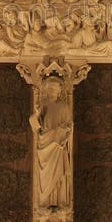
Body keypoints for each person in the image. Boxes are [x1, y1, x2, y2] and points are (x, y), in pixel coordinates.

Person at [30, 76, 72, 208]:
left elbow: (69, 126)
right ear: (47, 91)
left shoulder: (64, 107)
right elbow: (35, 125)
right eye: (50, 89)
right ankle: (45, 201)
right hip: (45, 145)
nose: (52, 91)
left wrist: (61, 134)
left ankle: (59, 201)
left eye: (55, 89)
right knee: (45, 176)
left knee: (59, 175)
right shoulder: (43, 105)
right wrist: (36, 114)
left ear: (59, 91)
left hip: (58, 145)